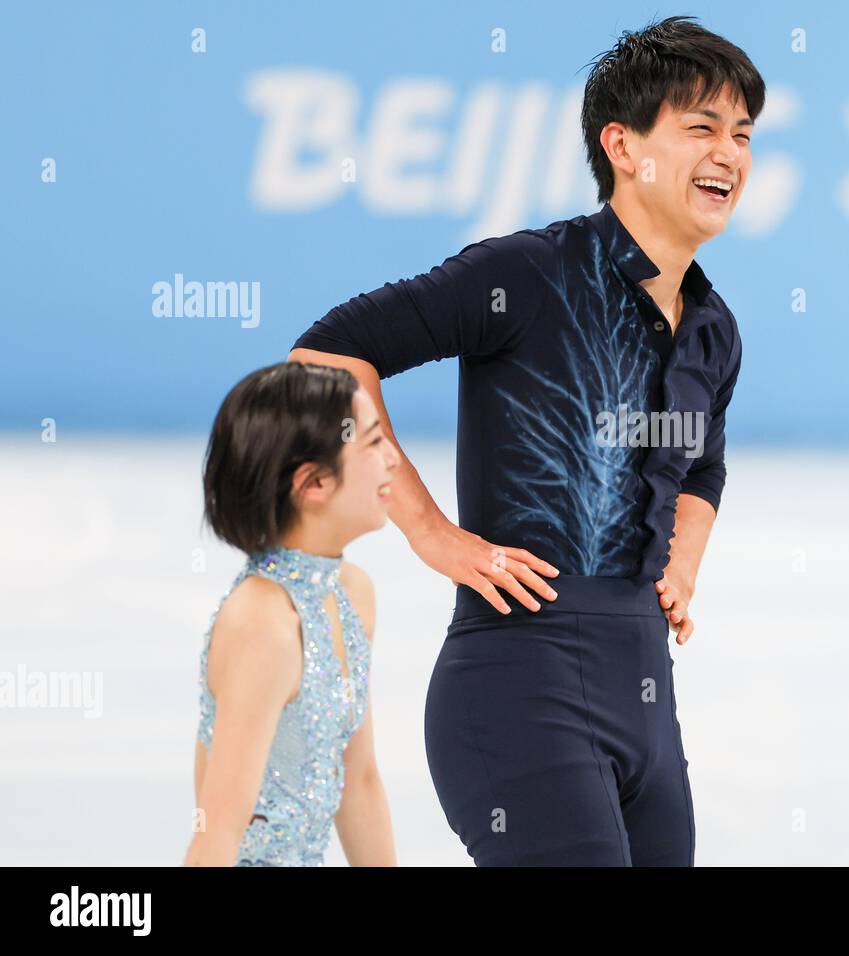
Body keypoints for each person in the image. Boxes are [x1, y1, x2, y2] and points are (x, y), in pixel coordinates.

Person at [288, 15, 763, 865]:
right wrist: (431, 533)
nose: (729, 152)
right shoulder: (528, 274)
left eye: (742, 133)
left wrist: (683, 562)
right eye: (701, 128)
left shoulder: (714, 329)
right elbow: (328, 355)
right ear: (623, 144)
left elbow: (705, 463)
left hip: (646, 691)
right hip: (518, 682)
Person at [184, 361, 400, 866]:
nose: (393, 458)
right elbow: (217, 833)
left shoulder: (351, 593)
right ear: (313, 483)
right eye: (373, 443)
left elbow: (359, 781)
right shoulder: (264, 626)